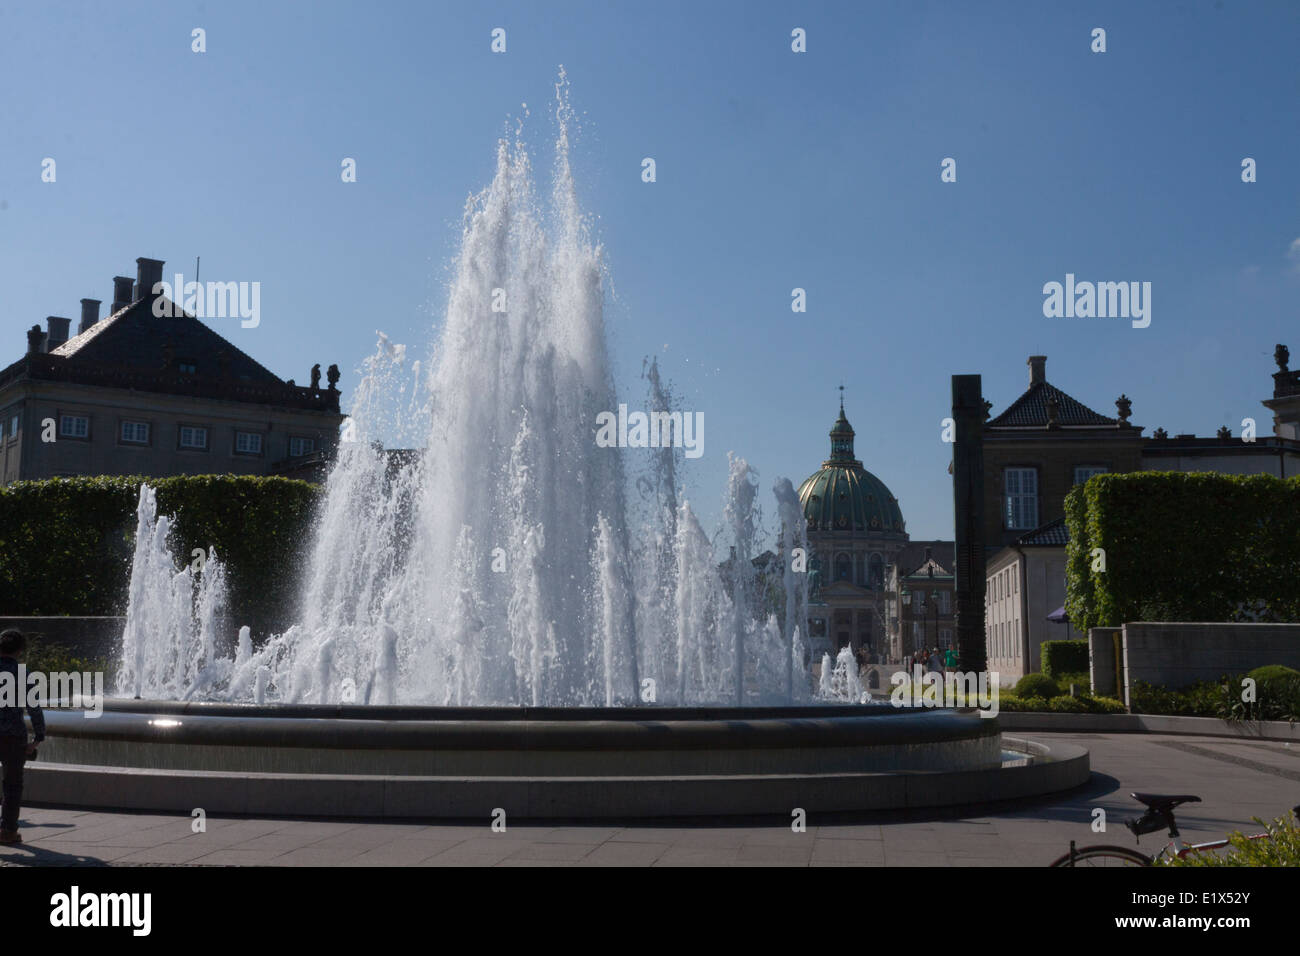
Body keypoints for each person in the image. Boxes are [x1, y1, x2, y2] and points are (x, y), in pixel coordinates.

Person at [0, 629, 45, 844]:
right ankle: (8, 831)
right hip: (13, 736)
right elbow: (34, 707)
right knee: (12, 785)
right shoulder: (22, 673)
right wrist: (38, 737)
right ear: (20, 650)